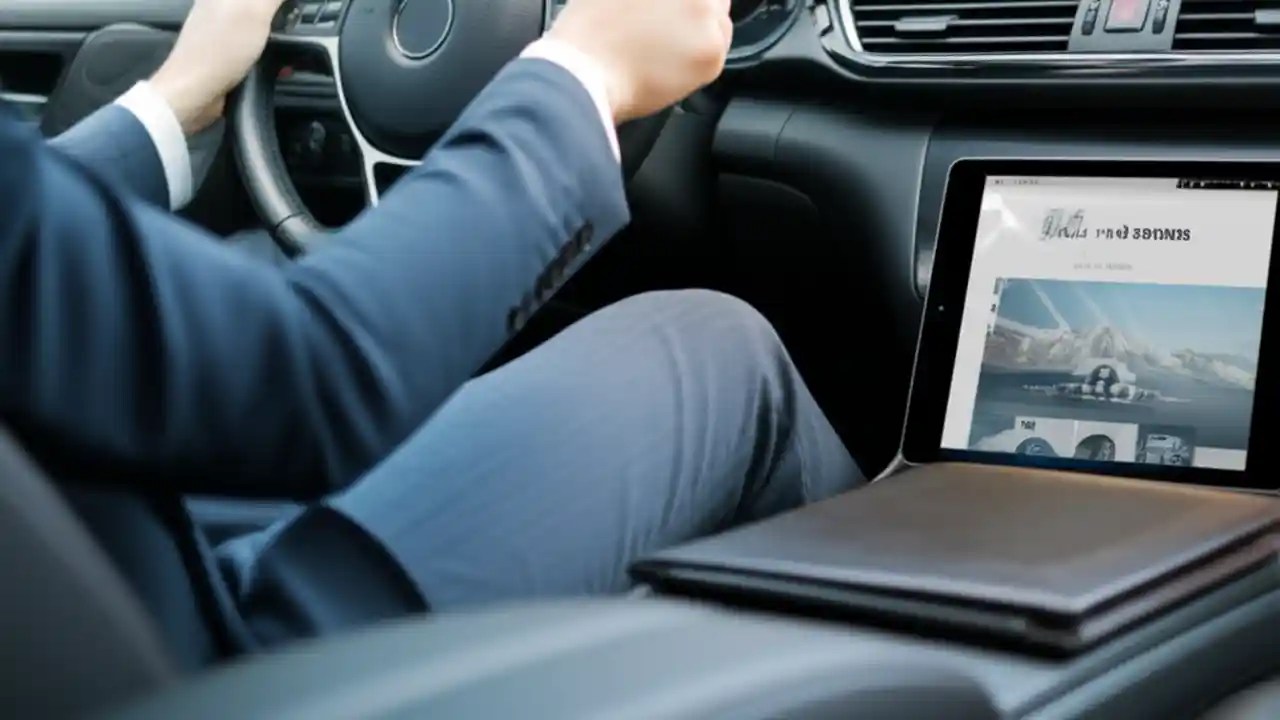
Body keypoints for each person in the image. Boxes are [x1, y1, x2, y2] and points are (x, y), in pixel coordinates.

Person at [2, 0, 862, 641]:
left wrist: (176, 99)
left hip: (81, 575)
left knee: (262, 262)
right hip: (213, 648)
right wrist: (585, 73)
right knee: (718, 355)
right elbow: (305, 379)